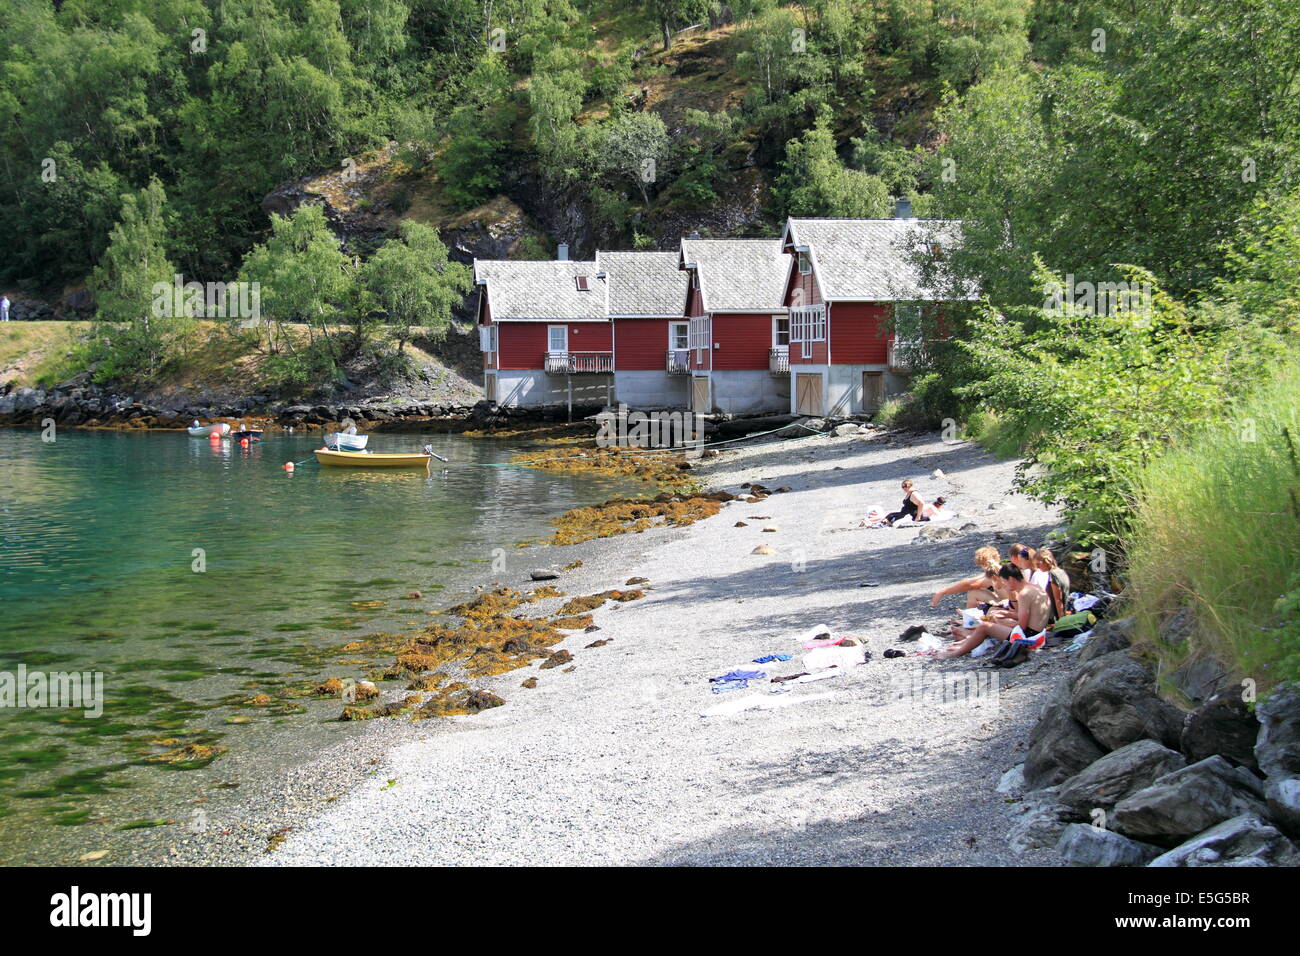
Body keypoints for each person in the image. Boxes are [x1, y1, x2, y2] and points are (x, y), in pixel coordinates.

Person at [941, 565, 1051, 658]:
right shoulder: (1035, 588)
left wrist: (1001, 622)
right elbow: (1031, 616)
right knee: (994, 619)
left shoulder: (1024, 594)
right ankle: (966, 643)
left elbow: (1022, 625)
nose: (1004, 586)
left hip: (1029, 638)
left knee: (985, 627)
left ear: (1011, 579)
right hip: (1039, 633)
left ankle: (956, 653)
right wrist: (1006, 614)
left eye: (1004, 582)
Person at [930, 546, 1004, 609]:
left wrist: (943, 592)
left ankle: (969, 619)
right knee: (979, 590)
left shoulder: (994, 574)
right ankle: (969, 616)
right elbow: (970, 581)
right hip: (1006, 602)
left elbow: (969, 584)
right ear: (998, 557)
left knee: (973, 592)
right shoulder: (1002, 569)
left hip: (1007, 604)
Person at [1035, 548, 1071, 623]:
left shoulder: (1053, 574)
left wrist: (1061, 621)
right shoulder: (1061, 571)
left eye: (1038, 564)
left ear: (1046, 561)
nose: (1037, 567)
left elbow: (1058, 600)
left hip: (1057, 616)